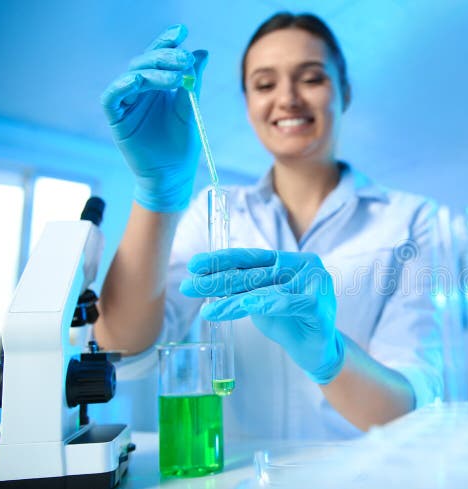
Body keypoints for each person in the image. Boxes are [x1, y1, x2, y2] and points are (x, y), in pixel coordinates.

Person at [96, 12, 443, 439]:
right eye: (265, 84)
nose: (288, 99)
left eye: (311, 78)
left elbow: (410, 407)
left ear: (345, 91)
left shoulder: (409, 220)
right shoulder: (215, 213)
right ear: (247, 104)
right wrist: (159, 192)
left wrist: (331, 356)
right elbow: (123, 348)